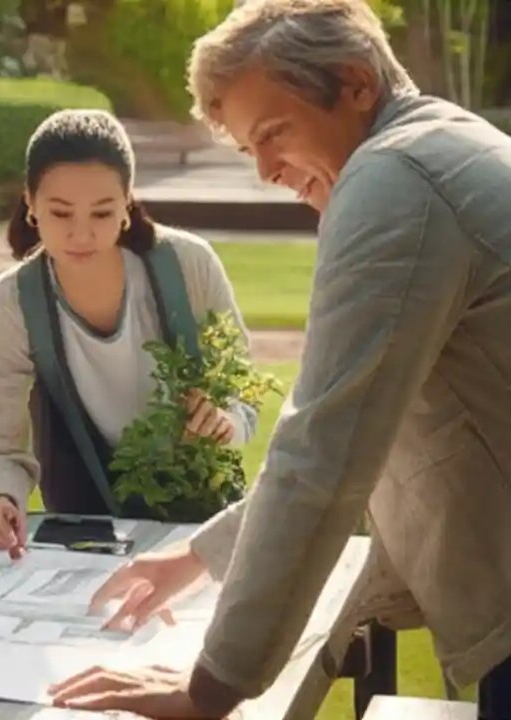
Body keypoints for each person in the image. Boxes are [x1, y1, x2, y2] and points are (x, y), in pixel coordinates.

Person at [47, 1, 511, 718]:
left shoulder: (397, 178)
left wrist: (209, 690)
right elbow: (357, 438)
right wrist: (202, 556)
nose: (264, 170)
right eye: (247, 149)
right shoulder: (442, 144)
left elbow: (325, 450)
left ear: (355, 84)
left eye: (273, 133)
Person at [0, 109, 260, 570]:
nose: (81, 233)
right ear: (30, 202)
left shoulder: (188, 266)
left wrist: (224, 422)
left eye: (103, 212)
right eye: (60, 212)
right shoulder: (14, 301)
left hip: (197, 522)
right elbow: (2, 447)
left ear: (128, 201)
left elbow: (245, 397)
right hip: (83, 526)